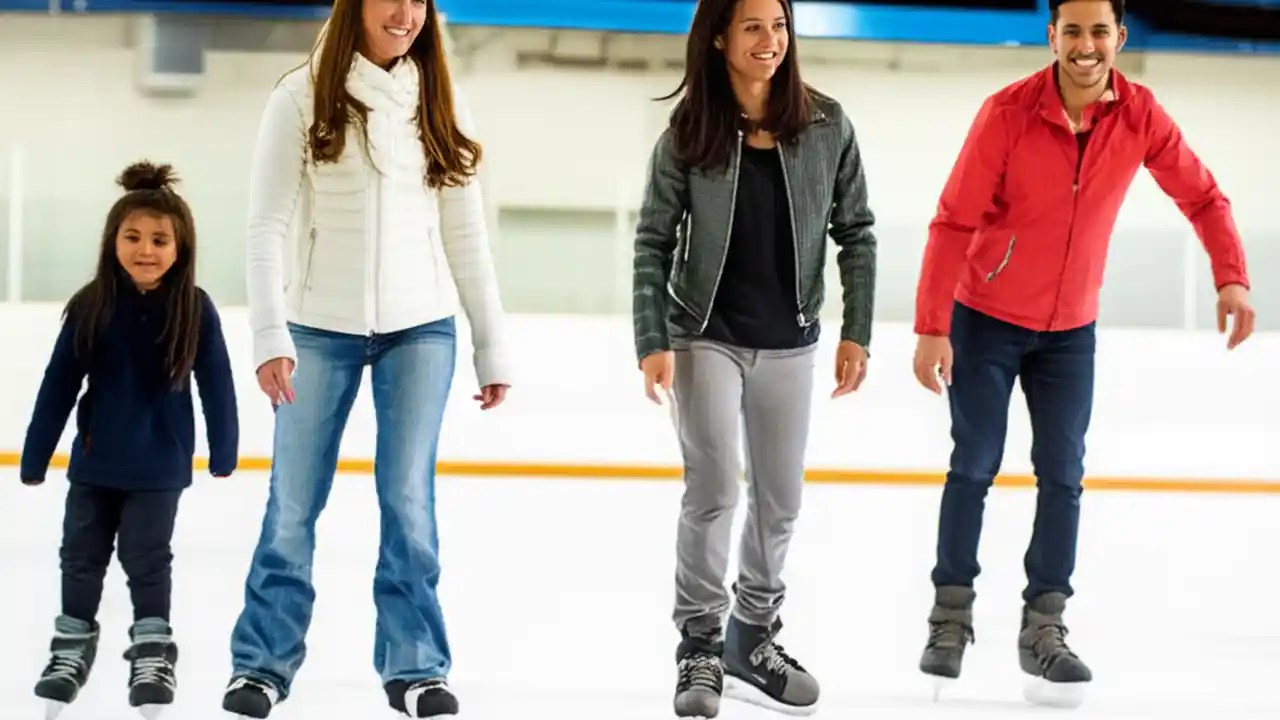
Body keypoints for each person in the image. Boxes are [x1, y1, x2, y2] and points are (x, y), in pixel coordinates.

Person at [912, 0, 1254, 707]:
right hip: (986, 319)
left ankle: (1046, 626)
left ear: (1119, 37)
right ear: (1053, 38)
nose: (1087, 45)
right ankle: (950, 617)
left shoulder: (1140, 115)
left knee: (1063, 474)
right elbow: (953, 220)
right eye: (1073, 31)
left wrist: (1231, 277)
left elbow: (1203, 196)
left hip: (1070, 331)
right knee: (974, 464)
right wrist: (931, 324)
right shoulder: (1006, 113)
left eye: (1100, 31)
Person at [222, 1, 511, 718]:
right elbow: (265, 226)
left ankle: (416, 668)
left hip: (422, 330)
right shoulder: (301, 95)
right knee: (293, 503)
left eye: (419, 0)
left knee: (408, 503)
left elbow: (466, 236)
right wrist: (269, 336)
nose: (406, 13)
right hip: (317, 327)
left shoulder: (439, 98)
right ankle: (260, 665)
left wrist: (490, 343)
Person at [632, 0, 878, 715]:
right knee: (713, 491)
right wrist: (651, 340)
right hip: (703, 333)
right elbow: (652, 241)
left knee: (780, 500)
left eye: (778, 26)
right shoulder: (690, 132)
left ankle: (753, 634)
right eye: (752, 27)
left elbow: (856, 233)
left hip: (791, 339)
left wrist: (856, 330)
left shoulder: (827, 125)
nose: (770, 41)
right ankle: (701, 646)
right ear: (718, 38)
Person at [19, 161, 239, 718]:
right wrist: (36, 452)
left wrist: (224, 446)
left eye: (160, 239)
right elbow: (59, 382)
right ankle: (71, 645)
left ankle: (152, 647)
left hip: (159, 466)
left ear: (181, 246)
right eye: (133, 237)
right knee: (80, 554)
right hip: (95, 462)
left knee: (146, 557)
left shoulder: (195, 307)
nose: (146, 250)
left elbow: (217, 380)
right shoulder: (92, 304)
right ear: (112, 241)